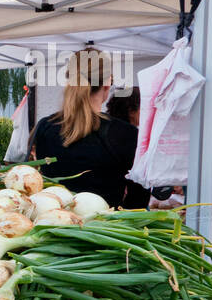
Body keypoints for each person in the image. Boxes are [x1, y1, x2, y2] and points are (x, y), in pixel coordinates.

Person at [29, 47, 147, 208]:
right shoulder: (126, 134)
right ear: (107, 82)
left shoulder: (44, 127)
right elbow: (138, 201)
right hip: (105, 230)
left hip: (53, 226)